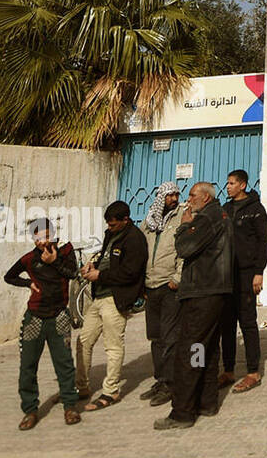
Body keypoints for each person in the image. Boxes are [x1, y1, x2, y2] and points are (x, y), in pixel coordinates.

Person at [156, 183, 234, 430]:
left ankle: (182, 412)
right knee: (204, 348)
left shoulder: (206, 219)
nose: (188, 200)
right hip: (214, 291)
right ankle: (206, 401)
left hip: (203, 292)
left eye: (192, 196)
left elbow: (185, 248)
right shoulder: (220, 216)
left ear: (207, 198)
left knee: (189, 350)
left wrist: (184, 226)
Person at [6, 218, 81, 430]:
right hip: (35, 319)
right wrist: (28, 283)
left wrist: (54, 261)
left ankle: (70, 406)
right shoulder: (30, 259)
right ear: (34, 239)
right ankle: (30, 410)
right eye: (39, 238)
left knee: (64, 364)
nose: (44, 241)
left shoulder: (66, 252)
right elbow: (9, 276)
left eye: (48, 236)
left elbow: (73, 273)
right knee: (28, 366)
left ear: (54, 234)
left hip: (59, 317)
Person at [75, 200, 147, 412]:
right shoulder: (111, 235)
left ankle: (111, 391)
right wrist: (93, 266)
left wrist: (101, 275)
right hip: (99, 297)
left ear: (126, 220)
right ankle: (82, 387)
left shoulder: (135, 239)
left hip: (116, 299)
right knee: (83, 340)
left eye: (113, 225)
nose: (109, 228)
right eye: (108, 224)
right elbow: (106, 259)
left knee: (113, 346)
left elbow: (131, 273)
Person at [218, 170, 267, 394]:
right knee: (226, 325)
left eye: (232, 183)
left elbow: (264, 242)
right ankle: (228, 370)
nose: (228, 187)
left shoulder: (255, 209)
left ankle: (252, 371)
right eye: (227, 183)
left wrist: (258, 272)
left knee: (248, 323)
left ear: (243, 185)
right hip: (226, 277)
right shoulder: (225, 209)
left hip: (248, 274)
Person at [141, 183, 184, 409]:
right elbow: (140, 251)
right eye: (170, 195)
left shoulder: (181, 217)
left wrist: (177, 277)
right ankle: (160, 379)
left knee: (170, 337)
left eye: (176, 194)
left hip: (169, 286)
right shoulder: (149, 222)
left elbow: (183, 251)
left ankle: (171, 382)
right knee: (155, 337)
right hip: (151, 286)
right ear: (161, 197)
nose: (174, 198)